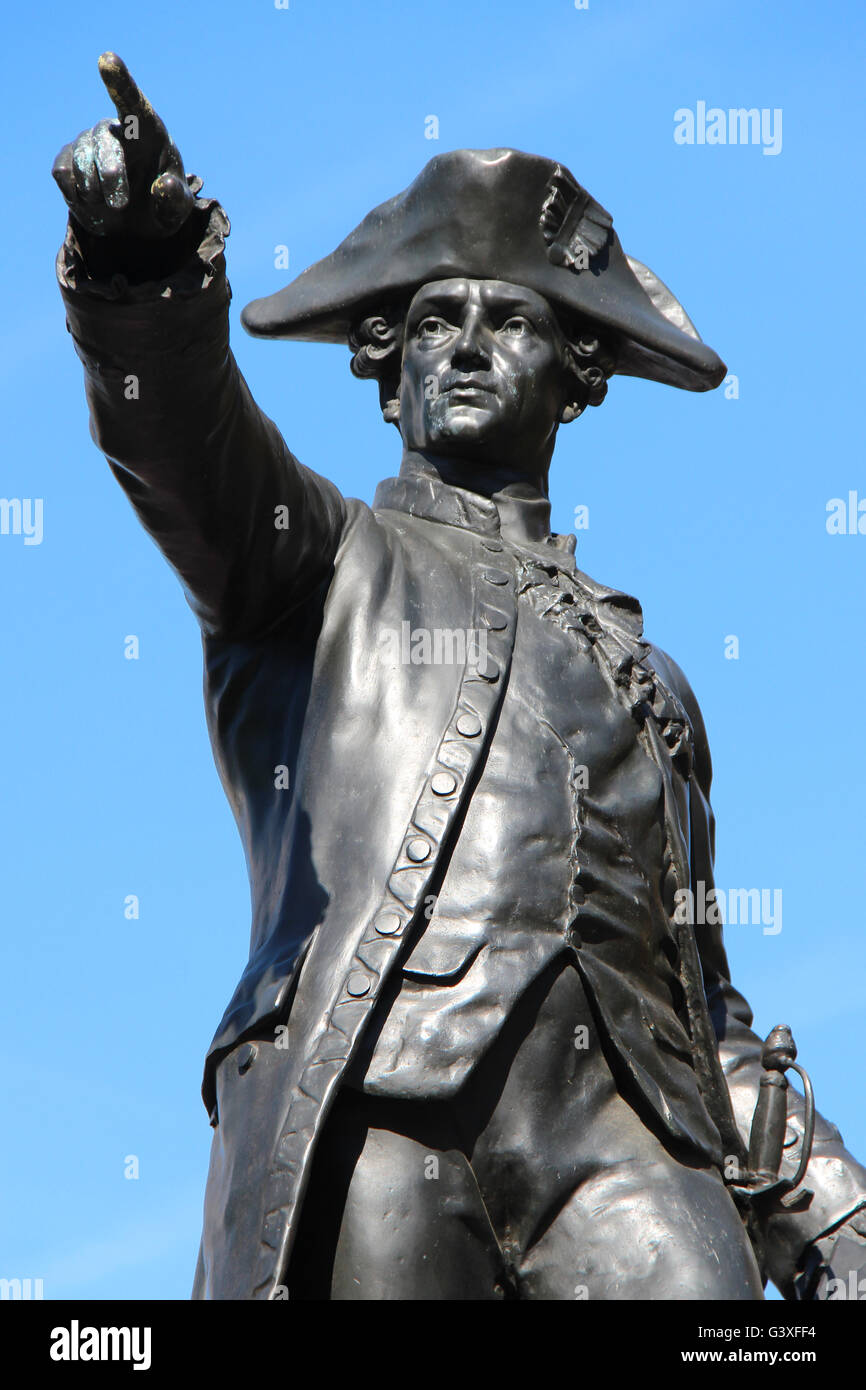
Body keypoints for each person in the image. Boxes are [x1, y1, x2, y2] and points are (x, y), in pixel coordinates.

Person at [53, 53, 866, 1300]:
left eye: (512, 320)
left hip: (626, 1146)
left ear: (573, 371)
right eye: (436, 320)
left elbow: (704, 1012)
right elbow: (181, 440)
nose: (470, 347)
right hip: (386, 1110)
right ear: (386, 366)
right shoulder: (314, 566)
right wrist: (142, 272)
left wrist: (831, 1213)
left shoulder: (654, 688)